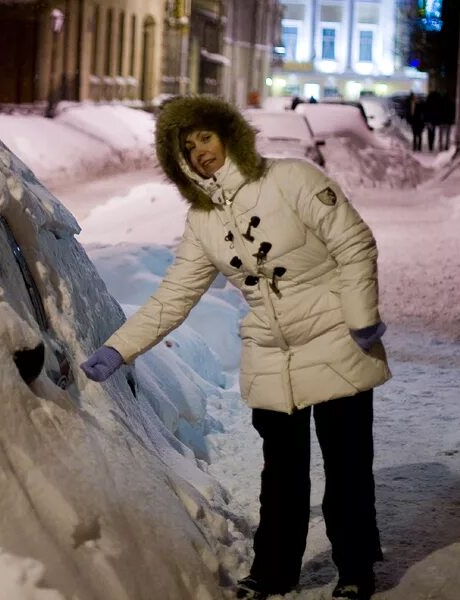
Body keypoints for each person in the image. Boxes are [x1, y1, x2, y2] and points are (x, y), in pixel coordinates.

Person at [80, 96, 390, 600]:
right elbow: (173, 295)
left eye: (204, 136)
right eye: (186, 146)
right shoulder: (203, 222)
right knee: (282, 474)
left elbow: (353, 243)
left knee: (346, 464)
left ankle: (355, 570)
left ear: (228, 133)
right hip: (271, 353)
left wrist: (360, 317)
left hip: (336, 337)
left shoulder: (292, 178)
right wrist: (119, 349)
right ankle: (273, 571)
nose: (199, 151)